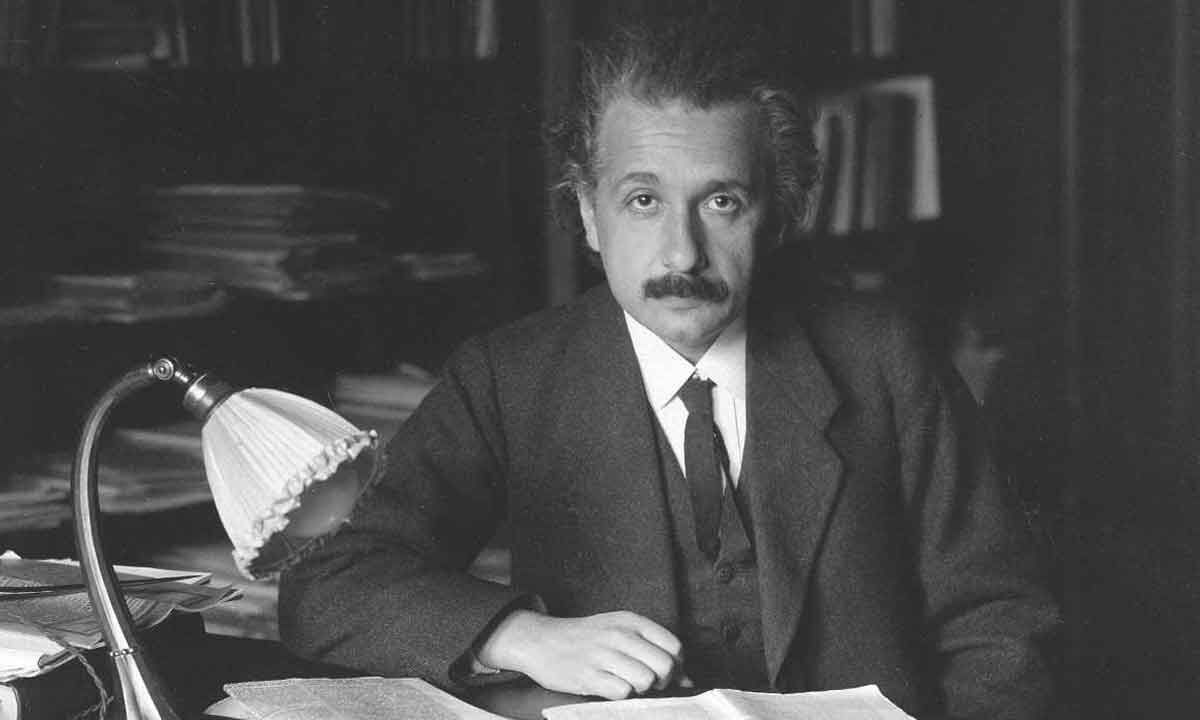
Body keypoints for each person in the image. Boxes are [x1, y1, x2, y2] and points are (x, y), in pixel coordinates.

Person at [278, 14, 1059, 719]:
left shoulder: (885, 362)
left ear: (778, 215)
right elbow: (330, 584)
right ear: (589, 213)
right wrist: (516, 635)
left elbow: (1000, 626)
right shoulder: (508, 378)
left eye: (722, 203)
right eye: (643, 201)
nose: (682, 254)